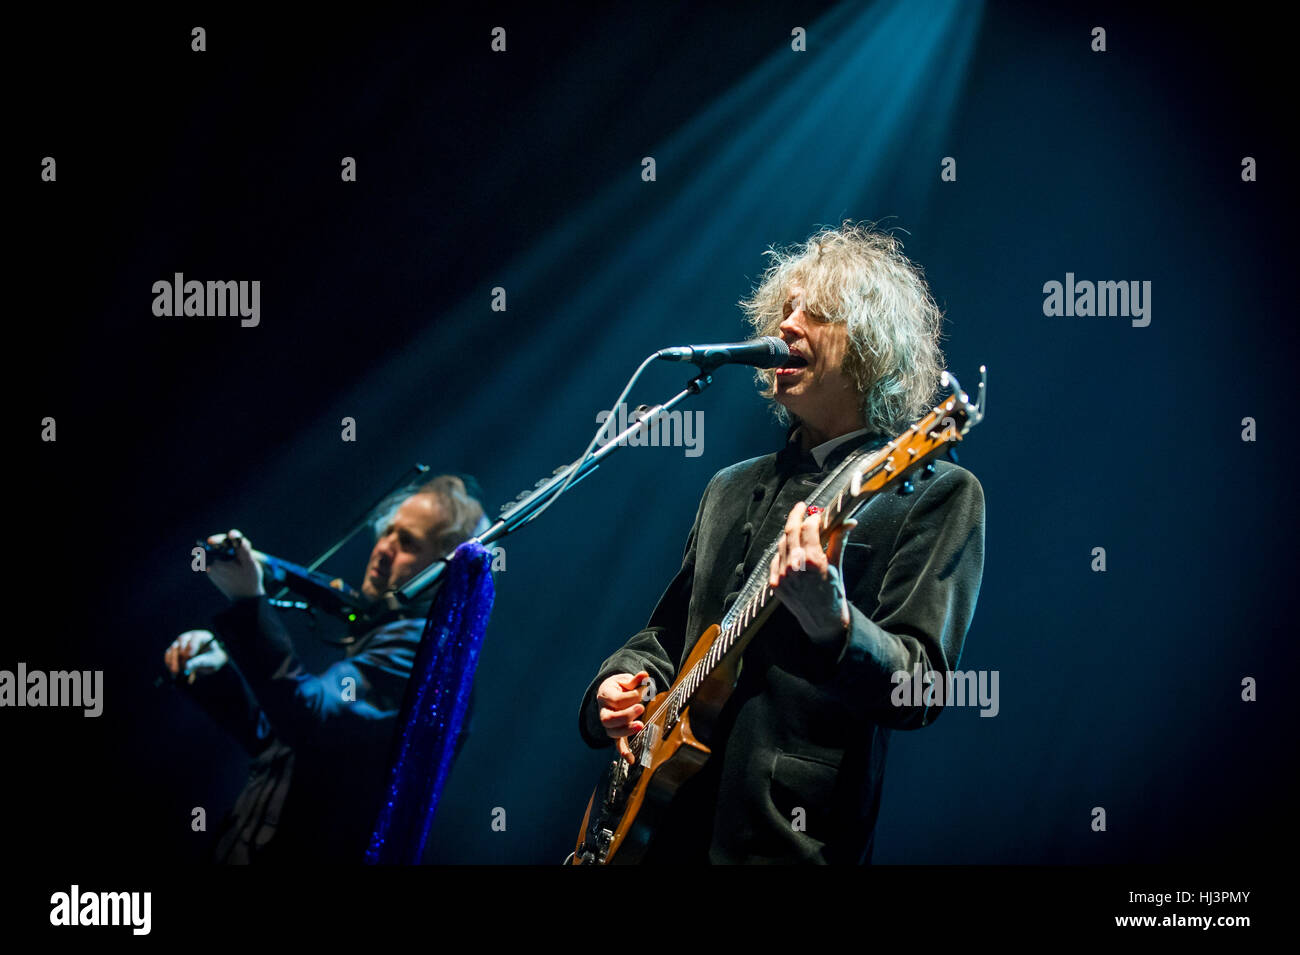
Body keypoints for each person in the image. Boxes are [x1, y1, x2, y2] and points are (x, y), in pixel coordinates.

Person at [577, 222, 985, 863]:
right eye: (785, 309)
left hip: (782, 840)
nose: (787, 325)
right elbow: (666, 638)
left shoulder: (933, 492)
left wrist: (834, 623)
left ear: (874, 345)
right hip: (659, 828)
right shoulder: (730, 486)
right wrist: (621, 682)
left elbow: (924, 687)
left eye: (816, 313)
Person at [164, 473, 487, 863]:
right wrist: (218, 678)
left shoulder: (419, 651)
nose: (384, 548)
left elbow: (307, 714)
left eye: (408, 543)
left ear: (442, 573)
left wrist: (249, 602)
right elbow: (279, 747)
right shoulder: (381, 635)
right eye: (388, 532)